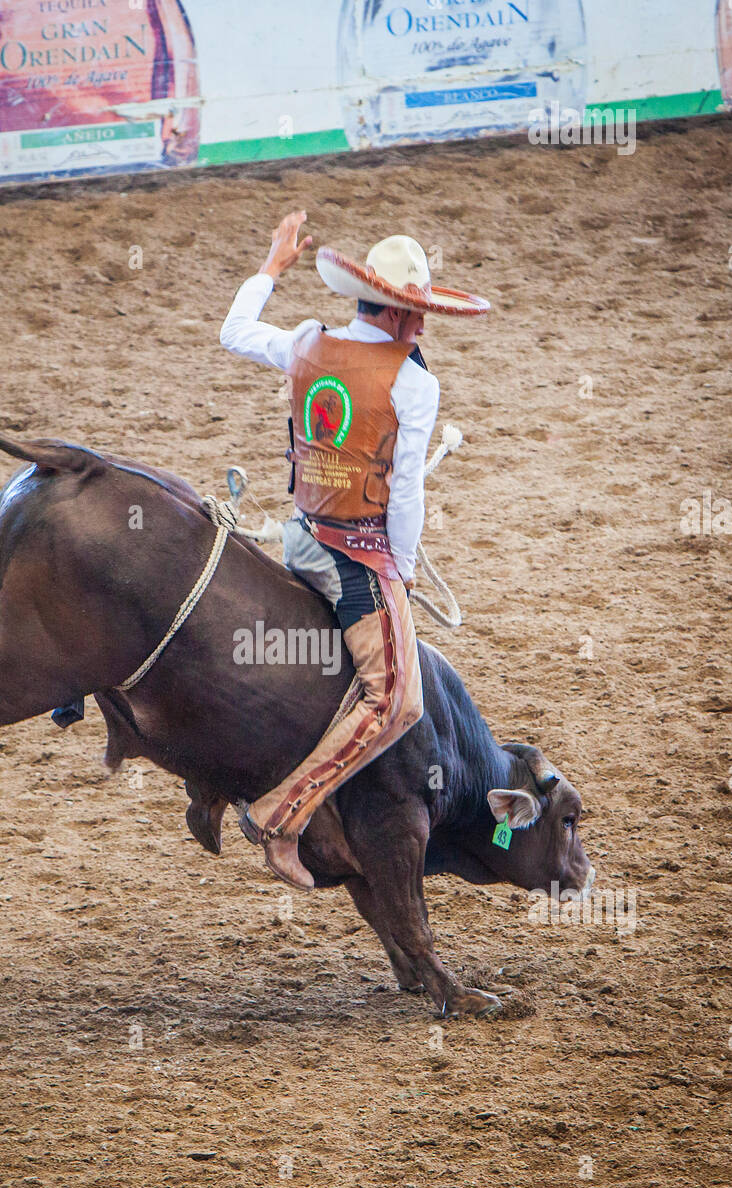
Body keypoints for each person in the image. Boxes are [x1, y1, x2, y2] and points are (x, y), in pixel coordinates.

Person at [221, 210, 485, 891]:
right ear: (396, 313)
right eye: (416, 313)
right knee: (396, 699)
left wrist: (271, 267)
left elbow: (235, 333)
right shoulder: (413, 383)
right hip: (354, 558)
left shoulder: (309, 341)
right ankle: (279, 818)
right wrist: (396, 566)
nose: (422, 326)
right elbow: (402, 497)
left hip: (299, 535)